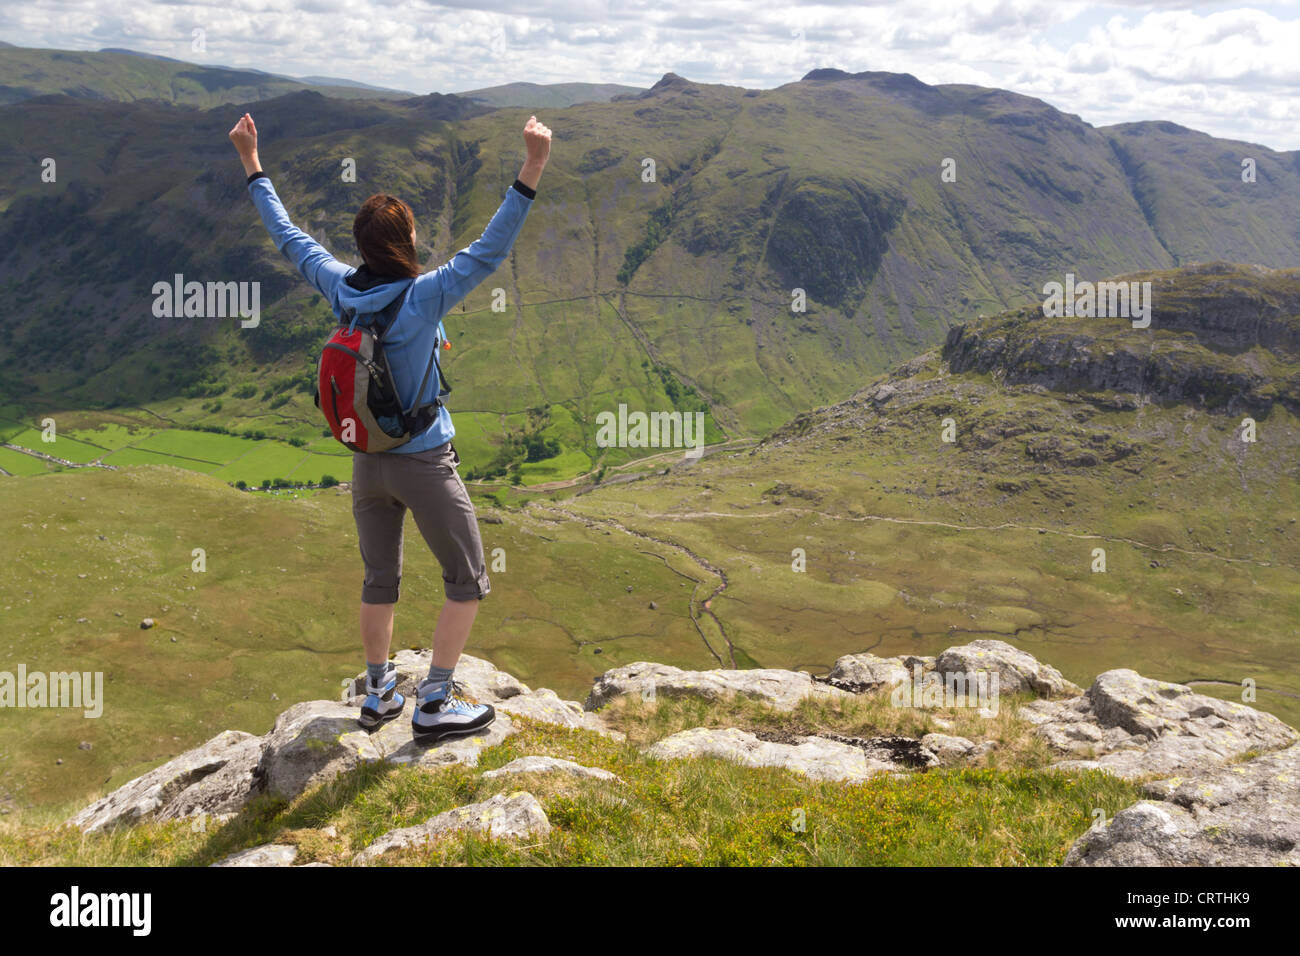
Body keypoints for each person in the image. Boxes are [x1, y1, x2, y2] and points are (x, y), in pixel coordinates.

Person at [228, 109, 551, 742]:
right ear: (405, 241)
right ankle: (435, 700)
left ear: (361, 246)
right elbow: (489, 250)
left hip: (365, 462)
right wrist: (533, 164)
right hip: (423, 460)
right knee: (467, 582)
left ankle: (378, 692)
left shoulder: (340, 288)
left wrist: (251, 162)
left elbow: (288, 236)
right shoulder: (425, 294)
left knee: (380, 579)